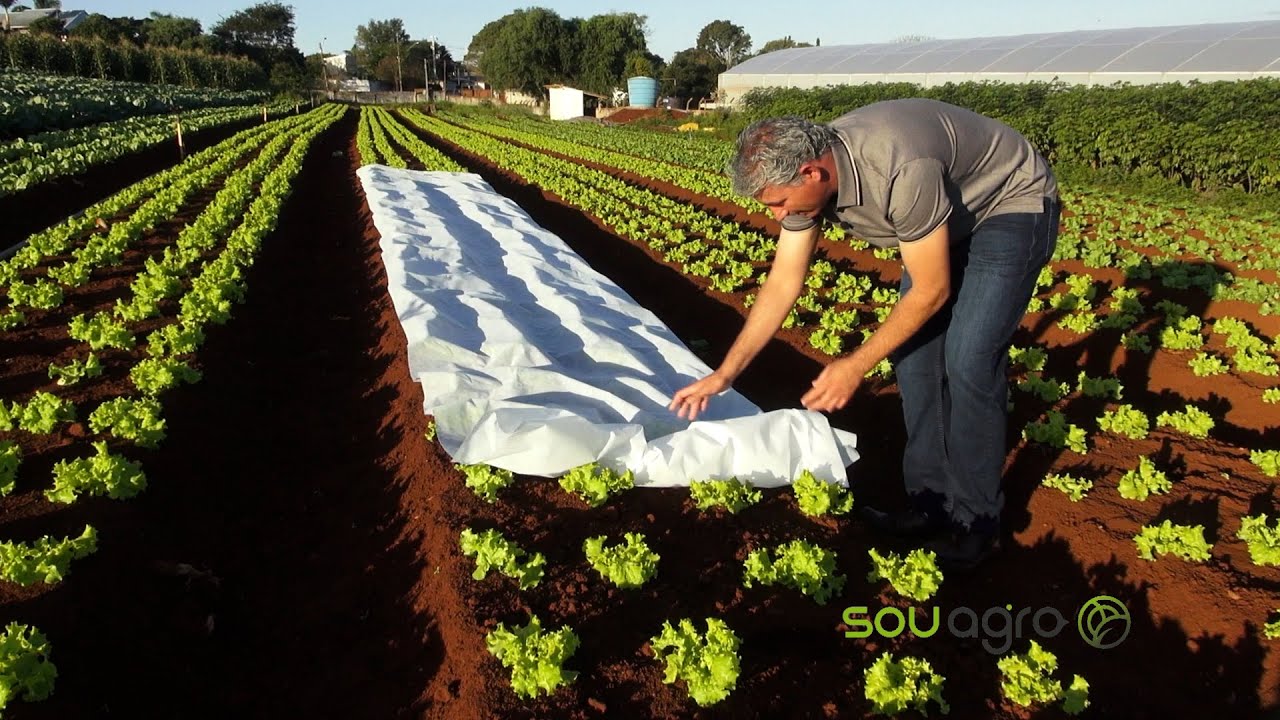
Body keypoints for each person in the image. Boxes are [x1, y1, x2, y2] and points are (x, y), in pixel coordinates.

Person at [668, 98, 1060, 571]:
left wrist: (854, 364)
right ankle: (929, 502)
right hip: (939, 216)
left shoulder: (899, 168)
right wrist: (725, 374)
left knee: (970, 359)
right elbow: (784, 281)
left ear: (813, 173)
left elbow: (932, 290)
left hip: (1008, 203)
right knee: (915, 361)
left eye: (777, 202)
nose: (775, 215)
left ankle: (976, 519)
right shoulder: (810, 179)